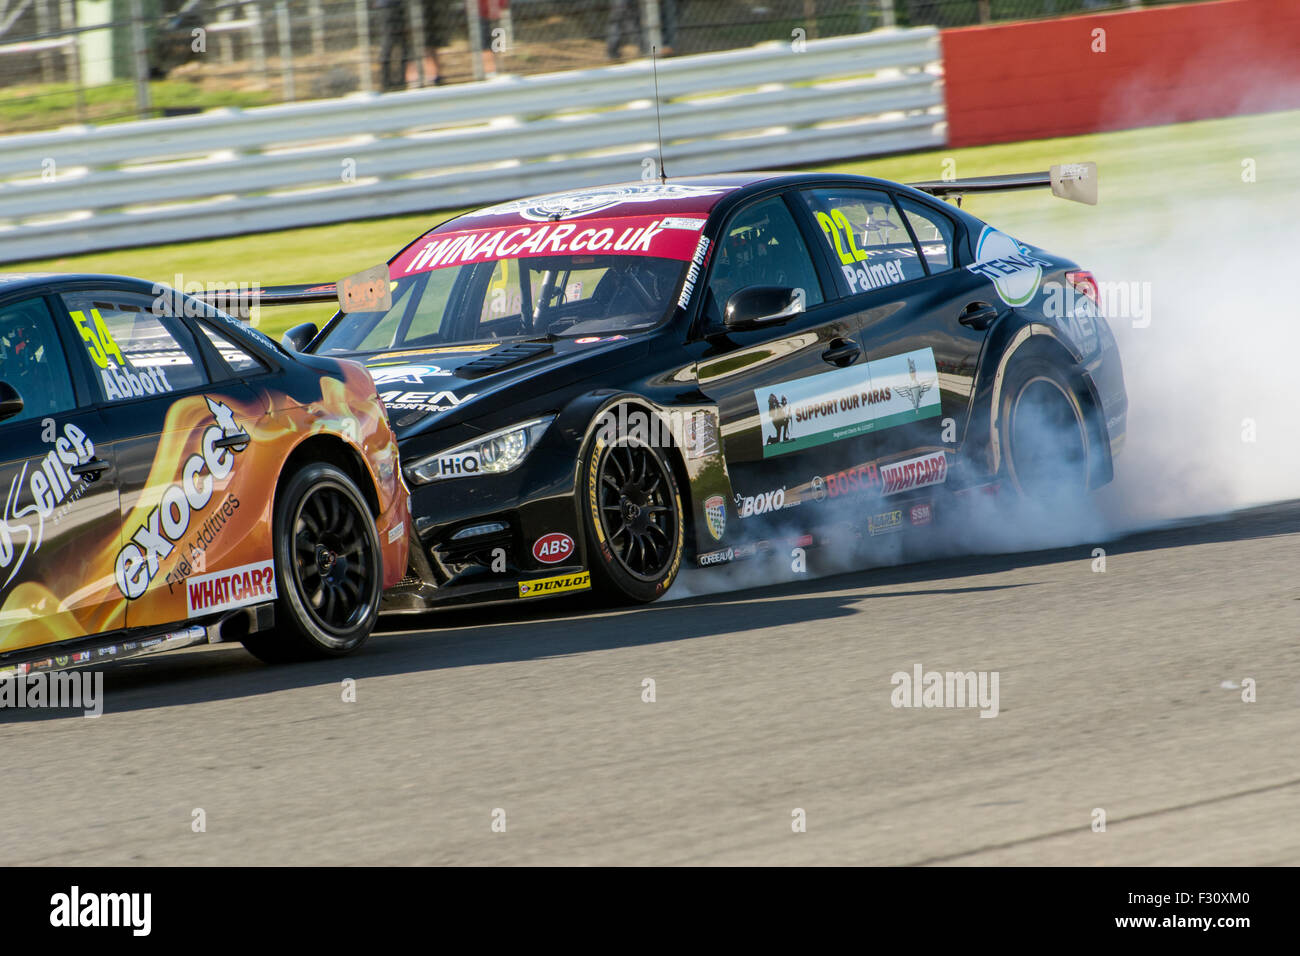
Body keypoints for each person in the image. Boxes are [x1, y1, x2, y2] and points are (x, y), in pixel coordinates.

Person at [376, 0, 443, 92]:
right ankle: (386, 81)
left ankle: (402, 80)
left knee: (405, 45)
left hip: (405, 5)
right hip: (390, 5)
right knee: (389, 42)